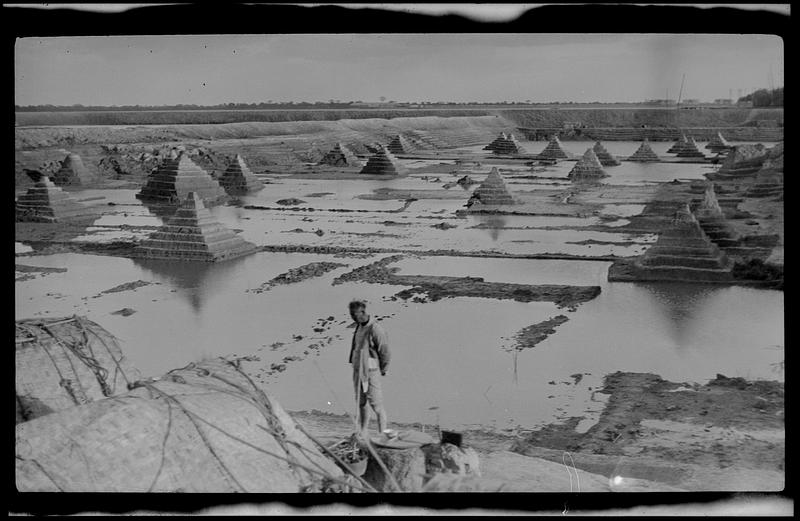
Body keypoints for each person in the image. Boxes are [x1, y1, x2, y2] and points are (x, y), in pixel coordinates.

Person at [347, 299, 390, 437]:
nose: (353, 317)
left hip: (371, 370)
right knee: (361, 402)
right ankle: (363, 431)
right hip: (358, 369)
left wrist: (384, 368)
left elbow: (384, 350)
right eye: (351, 315)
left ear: (363, 312)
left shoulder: (375, 328)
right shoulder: (358, 326)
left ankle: (382, 433)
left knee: (376, 404)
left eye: (355, 314)